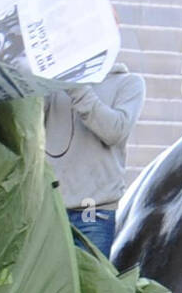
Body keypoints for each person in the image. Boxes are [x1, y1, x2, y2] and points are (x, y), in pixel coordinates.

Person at [45, 59, 145, 256]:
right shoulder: (52, 83)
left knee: (91, 285)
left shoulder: (129, 82)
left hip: (92, 212)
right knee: (46, 285)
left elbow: (114, 131)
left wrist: (76, 87)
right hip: (50, 209)